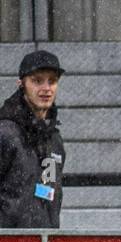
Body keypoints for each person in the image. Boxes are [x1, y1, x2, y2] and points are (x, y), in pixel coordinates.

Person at [0, 50, 66, 228]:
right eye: (37, 81)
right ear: (21, 84)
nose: (46, 88)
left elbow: (52, 196)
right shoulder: (5, 134)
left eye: (52, 81)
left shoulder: (55, 141)